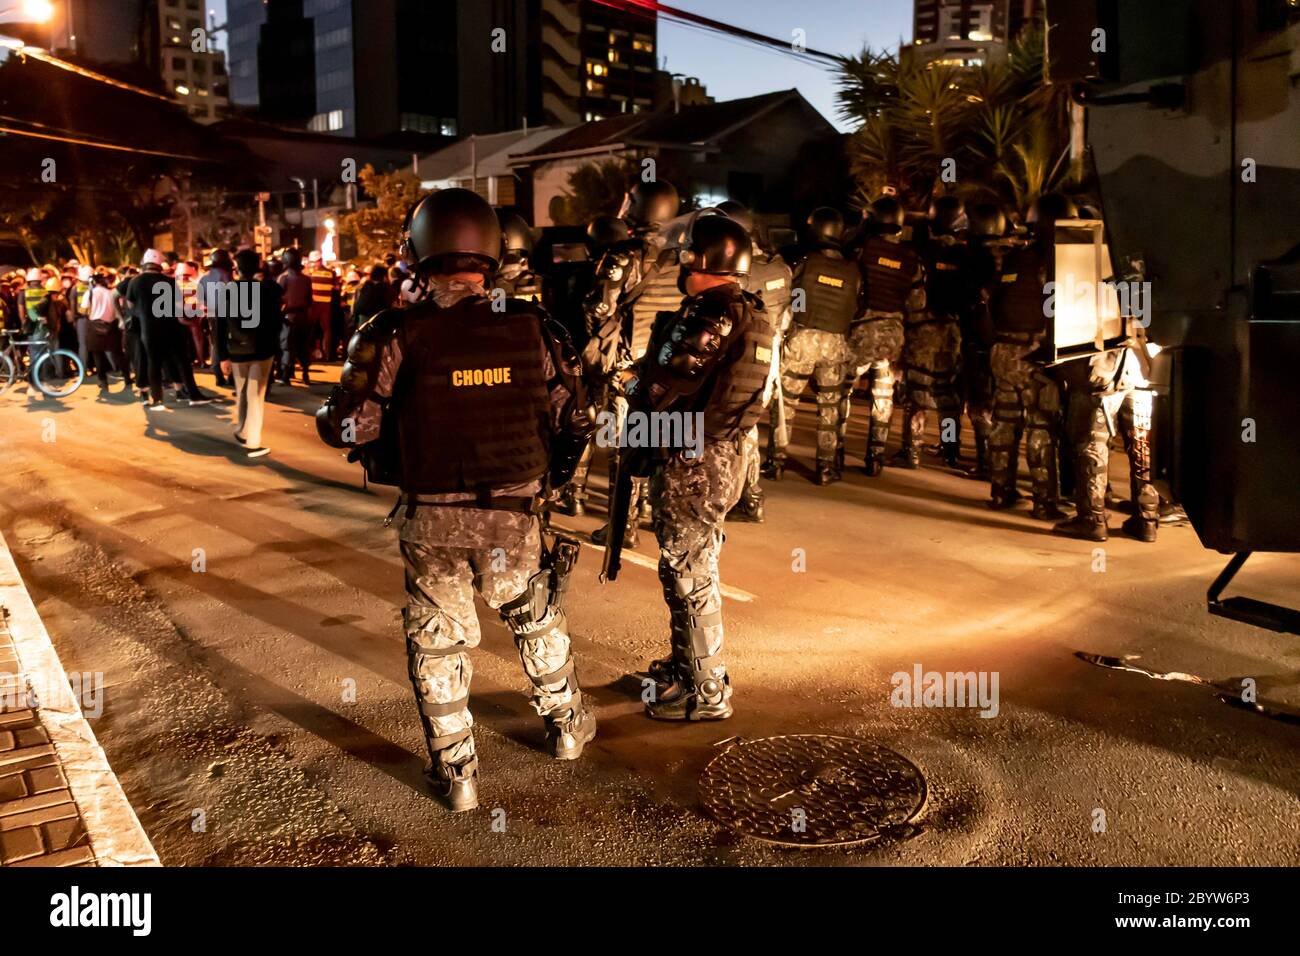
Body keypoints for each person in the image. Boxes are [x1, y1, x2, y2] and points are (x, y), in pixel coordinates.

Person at [315, 188, 597, 812]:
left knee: (438, 640)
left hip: (432, 518)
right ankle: (569, 730)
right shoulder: (535, 327)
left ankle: (459, 775)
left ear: (421, 252)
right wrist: (546, 479)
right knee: (534, 617)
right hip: (515, 517)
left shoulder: (392, 334)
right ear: (490, 253)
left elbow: (348, 427)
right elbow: (580, 417)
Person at [620, 212, 775, 720]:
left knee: (691, 573)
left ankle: (706, 691)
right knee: (684, 568)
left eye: (686, 254)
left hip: (695, 459)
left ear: (702, 260)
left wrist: (628, 385)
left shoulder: (711, 315)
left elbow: (666, 385)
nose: (680, 262)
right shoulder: (754, 312)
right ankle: (687, 666)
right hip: (724, 454)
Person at [582, 179, 684, 547]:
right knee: (658, 443)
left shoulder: (623, 257)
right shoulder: (683, 256)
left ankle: (621, 526)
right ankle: (653, 517)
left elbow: (599, 308)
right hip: (666, 366)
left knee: (621, 447)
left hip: (624, 368)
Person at [986, 193, 1074, 519]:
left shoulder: (1013, 258)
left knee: (1005, 423)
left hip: (1003, 351)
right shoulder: (1053, 261)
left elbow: (991, 301)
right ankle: (1044, 503)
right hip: (1035, 354)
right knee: (1041, 427)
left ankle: (1000, 492)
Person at [766, 206, 858, 485]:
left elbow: (792, 297)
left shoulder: (804, 260)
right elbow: (855, 306)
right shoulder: (852, 268)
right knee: (830, 406)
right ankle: (825, 468)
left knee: (786, 405)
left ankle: (777, 460)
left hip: (803, 339)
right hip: (836, 342)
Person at [843, 196, 925, 476]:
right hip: (894, 336)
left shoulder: (862, 249)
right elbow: (916, 304)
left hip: (863, 332)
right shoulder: (911, 258)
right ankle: (875, 456)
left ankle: (833, 450)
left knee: (842, 390)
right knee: (884, 394)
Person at [718, 200, 788, 521]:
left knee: (735, 426)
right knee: (749, 424)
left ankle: (743, 497)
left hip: (743, 355)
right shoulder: (780, 268)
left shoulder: (740, 271)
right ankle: (752, 497)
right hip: (769, 354)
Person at [895, 196, 967, 469]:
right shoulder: (965, 255)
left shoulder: (923, 251)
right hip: (953, 331)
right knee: (946, 393)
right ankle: (950, 449)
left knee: (917, 393)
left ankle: (912, 451)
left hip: (923, 328)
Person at [214, 250, 283, 459]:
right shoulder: (266, 291)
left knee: (243, 392)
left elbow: (218, 325)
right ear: (257, 267)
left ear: (237, 267)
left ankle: (243, 430)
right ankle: (253, 442)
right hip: (262, 349)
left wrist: (222, 355)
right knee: (255, 396)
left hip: (236, 349)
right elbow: (276, 323)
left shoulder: (227, 291)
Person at [124, 249, 212, 410]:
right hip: (172, 328)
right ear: (160, 264)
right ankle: (193, 395)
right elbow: (179, 307)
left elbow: (130, 305)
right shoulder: (170, 282)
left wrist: (143, 312)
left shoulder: (135, 282)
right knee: (182, 361)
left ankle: (157, 400)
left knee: (153, 362)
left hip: (148, 329)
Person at [82, 272, 128, 391]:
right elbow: (120, 307)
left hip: (94, 325)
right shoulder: (112, 293)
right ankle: (127, 378)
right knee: (117, 354)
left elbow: (83, 310)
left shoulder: (90, 293)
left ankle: (103, 382)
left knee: (98, 355)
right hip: (111, 325)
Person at [277, 248, 314, 385]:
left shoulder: (284, 278)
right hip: (303, 317)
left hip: (289, 317)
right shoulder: (306, 279)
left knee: (287, 346)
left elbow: (278, 298)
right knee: (303, 345)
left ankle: (286, 374)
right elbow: (310, 301)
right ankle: (305, 373)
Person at [200, 249, 235, 387]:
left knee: (215, 344)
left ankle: (219, 377)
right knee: (231, 343)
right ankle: (231, 377)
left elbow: (202, 300)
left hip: (213, 315)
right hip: (229, 314)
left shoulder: (204, 278)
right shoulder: (228, 276)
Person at [305, 251, 337, 360]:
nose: (313, 264)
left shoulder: (310, 274)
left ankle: (309, 354)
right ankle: (327, 355)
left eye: (314, 262)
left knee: (310, 329)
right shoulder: (331, 273)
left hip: (314, 305)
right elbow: (335, 290)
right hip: (326, 305)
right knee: (327, 330)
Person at [349, 265, 394, 337]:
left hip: (364, 323)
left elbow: (358, 306)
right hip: (379, 324)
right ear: (383, 276)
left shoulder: (366, 286)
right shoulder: (384, 288)